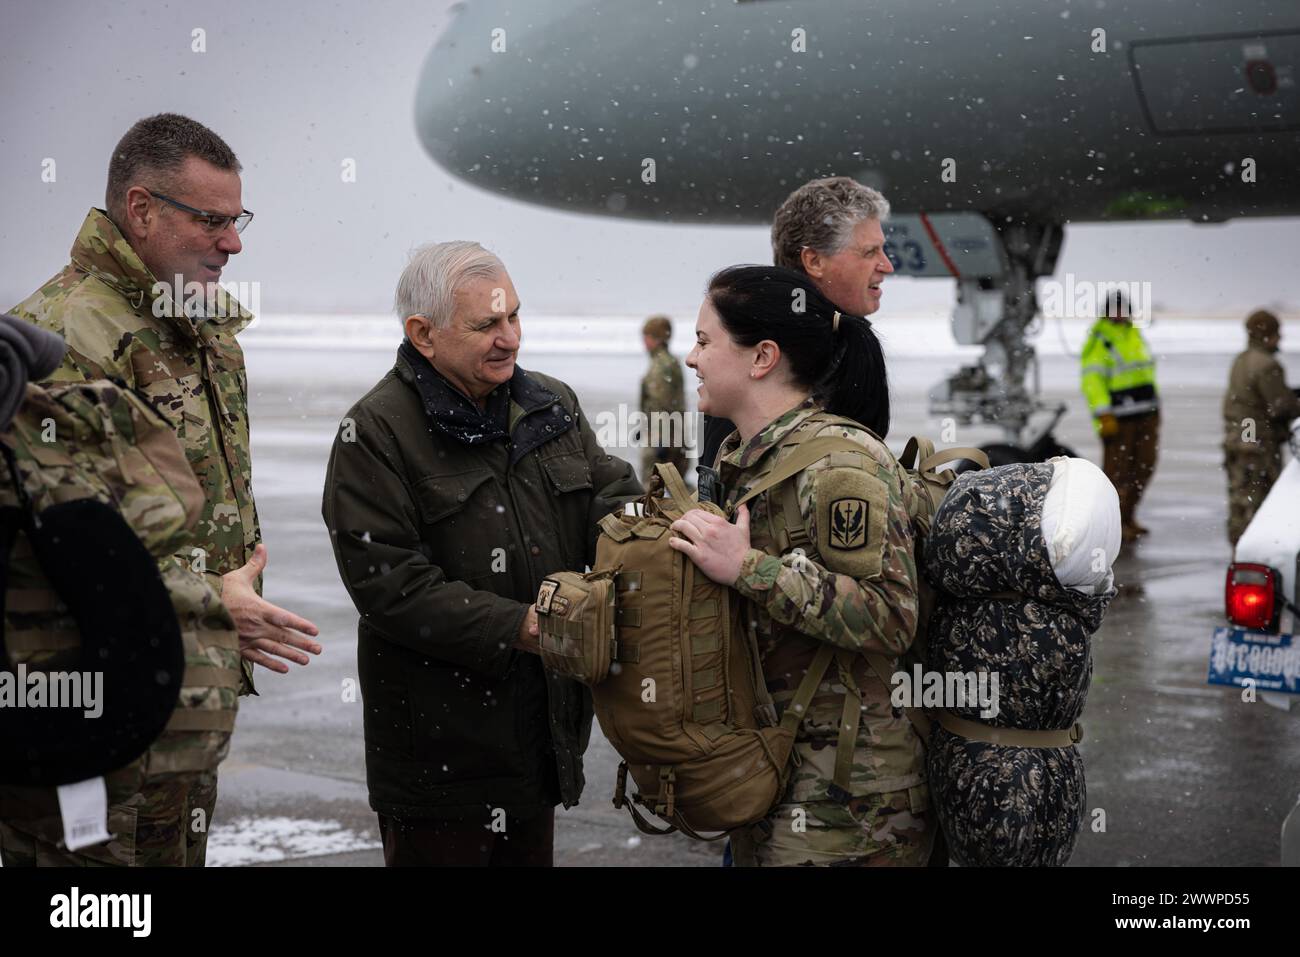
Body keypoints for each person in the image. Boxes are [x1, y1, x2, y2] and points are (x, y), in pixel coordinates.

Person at [3, 113, 319, 866]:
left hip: (179, 691)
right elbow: (51, 544)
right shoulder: (62, 338)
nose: (234, 242)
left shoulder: (195, 325)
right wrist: (209, 598)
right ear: (141, 210)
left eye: (237, 220)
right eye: (211, 220)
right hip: (92, 702)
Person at [321, 241, 641, 867]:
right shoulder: (377, 433)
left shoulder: (549, 404)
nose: (510, 338)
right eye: (487, 324)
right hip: (441, 760)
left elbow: (612, 500)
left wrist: (667, 537)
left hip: (541, 740)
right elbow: (391, 587)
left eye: (515, 317)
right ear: (424, 333)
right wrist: (525, 627)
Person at [667, 265, 932, 866]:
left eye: (705, 341)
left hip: (854, 804)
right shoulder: (752, 460)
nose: (691, 358)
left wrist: (750, 569)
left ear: (761, 357)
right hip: (783, 771)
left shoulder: (838, 466)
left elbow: (892, 616)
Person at [700, 176, 895, 472]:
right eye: (870, 252)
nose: (887, 266)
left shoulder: (845, 342)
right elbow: (726, 479)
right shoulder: (764, 346)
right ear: (814, 261)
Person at [1079, 290, 1160, 544]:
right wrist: (1103, 413)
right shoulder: (1101, 339)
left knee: (1144, 467)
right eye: (1115, 309)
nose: (1120, 313)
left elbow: (1145, 373)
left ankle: (1128, 517)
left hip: (1146, 415)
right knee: (1118, 474)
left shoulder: (1134, 334)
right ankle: (1114, 525)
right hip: (1119, 420)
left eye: (1123, 308)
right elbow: (1092, 380)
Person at [1222, 309, 1300, 545]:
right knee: (1257, 503)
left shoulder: (1242, 359)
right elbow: (1280, 407)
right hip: (1257, 443)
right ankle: (1253, 552)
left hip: (1238, 437)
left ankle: (1238, 549)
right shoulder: (1268, 365)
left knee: (1240, 500)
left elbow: (1247, 399)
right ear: (1269, 335)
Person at [638, 314, 689, 482]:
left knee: (650, 488)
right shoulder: (670, 361)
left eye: (646, 336)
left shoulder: (661, 366)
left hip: (663, 434)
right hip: (676, 432)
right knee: (678, 485)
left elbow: (662, 404)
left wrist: (661, 438)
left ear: (656, 338)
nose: (644, 341)